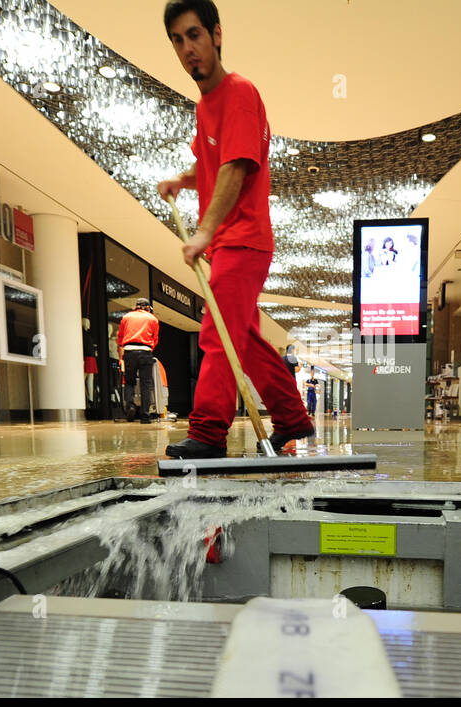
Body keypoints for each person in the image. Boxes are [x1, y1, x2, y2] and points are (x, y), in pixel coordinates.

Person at [158, 0, 314, 459]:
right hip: (229, 241)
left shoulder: (239, 93)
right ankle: (292, 419)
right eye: (178, 40)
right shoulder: (206, 106)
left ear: (217, 34)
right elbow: (210, 163)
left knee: (216, 331)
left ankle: (207, 434)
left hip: (243, 239)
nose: (188, 49)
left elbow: (236, 166)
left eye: (195, 35)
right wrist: (182, 181)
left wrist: (204, 231)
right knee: (240, 338)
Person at [117, 298, 160, 423]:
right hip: (146, 351)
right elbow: (155, 338)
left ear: (136, 306)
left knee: (129, 381)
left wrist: (122, 350)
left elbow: (120, 337)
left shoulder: (126, 317)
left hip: (129, 350)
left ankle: (130, 406)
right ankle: (145, 416)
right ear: (147, 307)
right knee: (146, 384)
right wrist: (149, 348)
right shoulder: (152, 319)